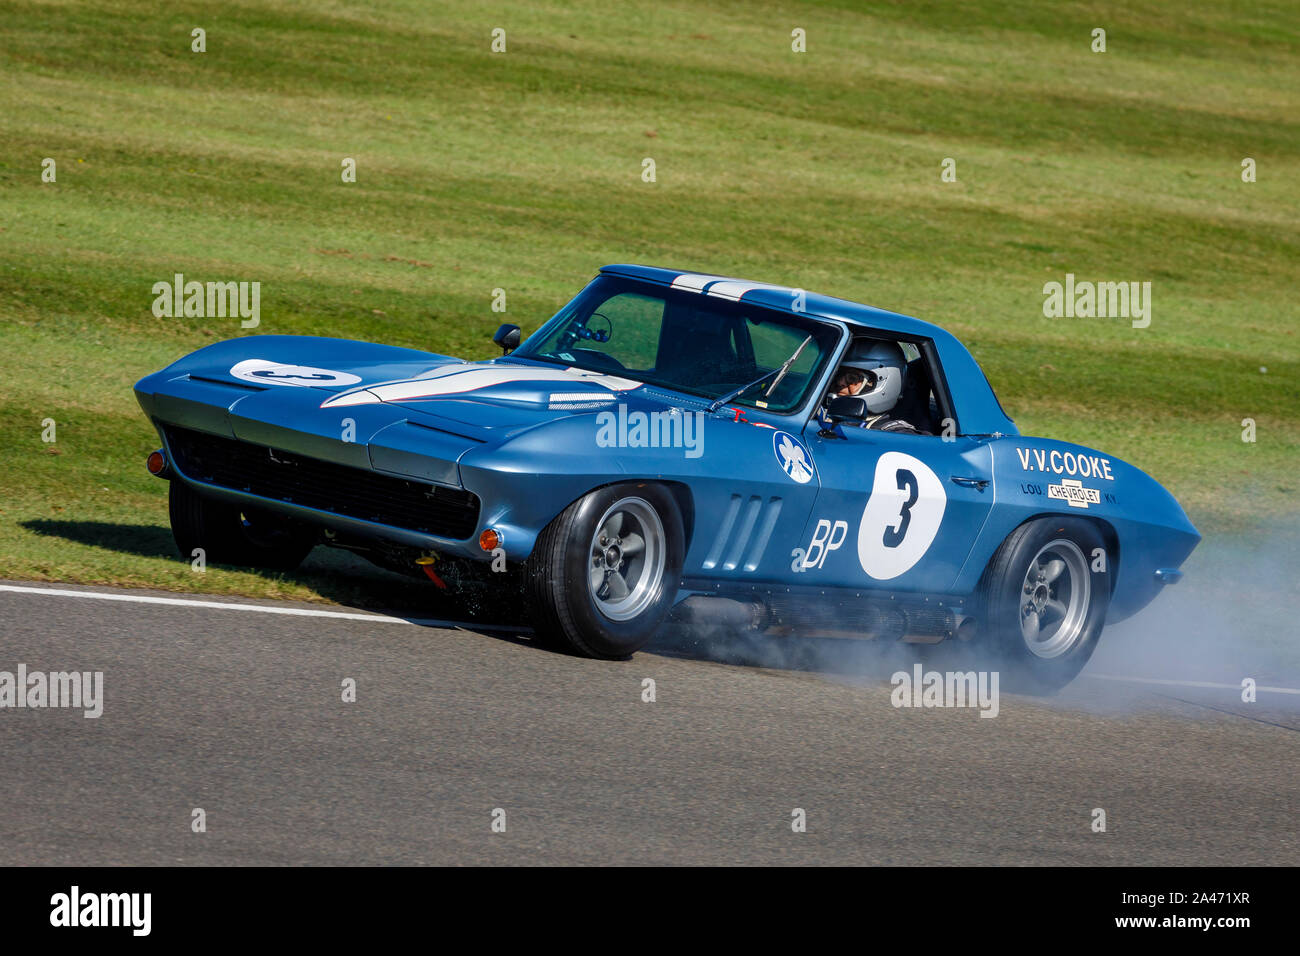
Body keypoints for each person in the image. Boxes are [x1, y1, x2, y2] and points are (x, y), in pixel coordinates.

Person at [822, 340, 928, 434]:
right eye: (838, 374)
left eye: (852, 378)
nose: (840, 382)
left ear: (882, 383)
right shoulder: (818, 409)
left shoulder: (897, 435)